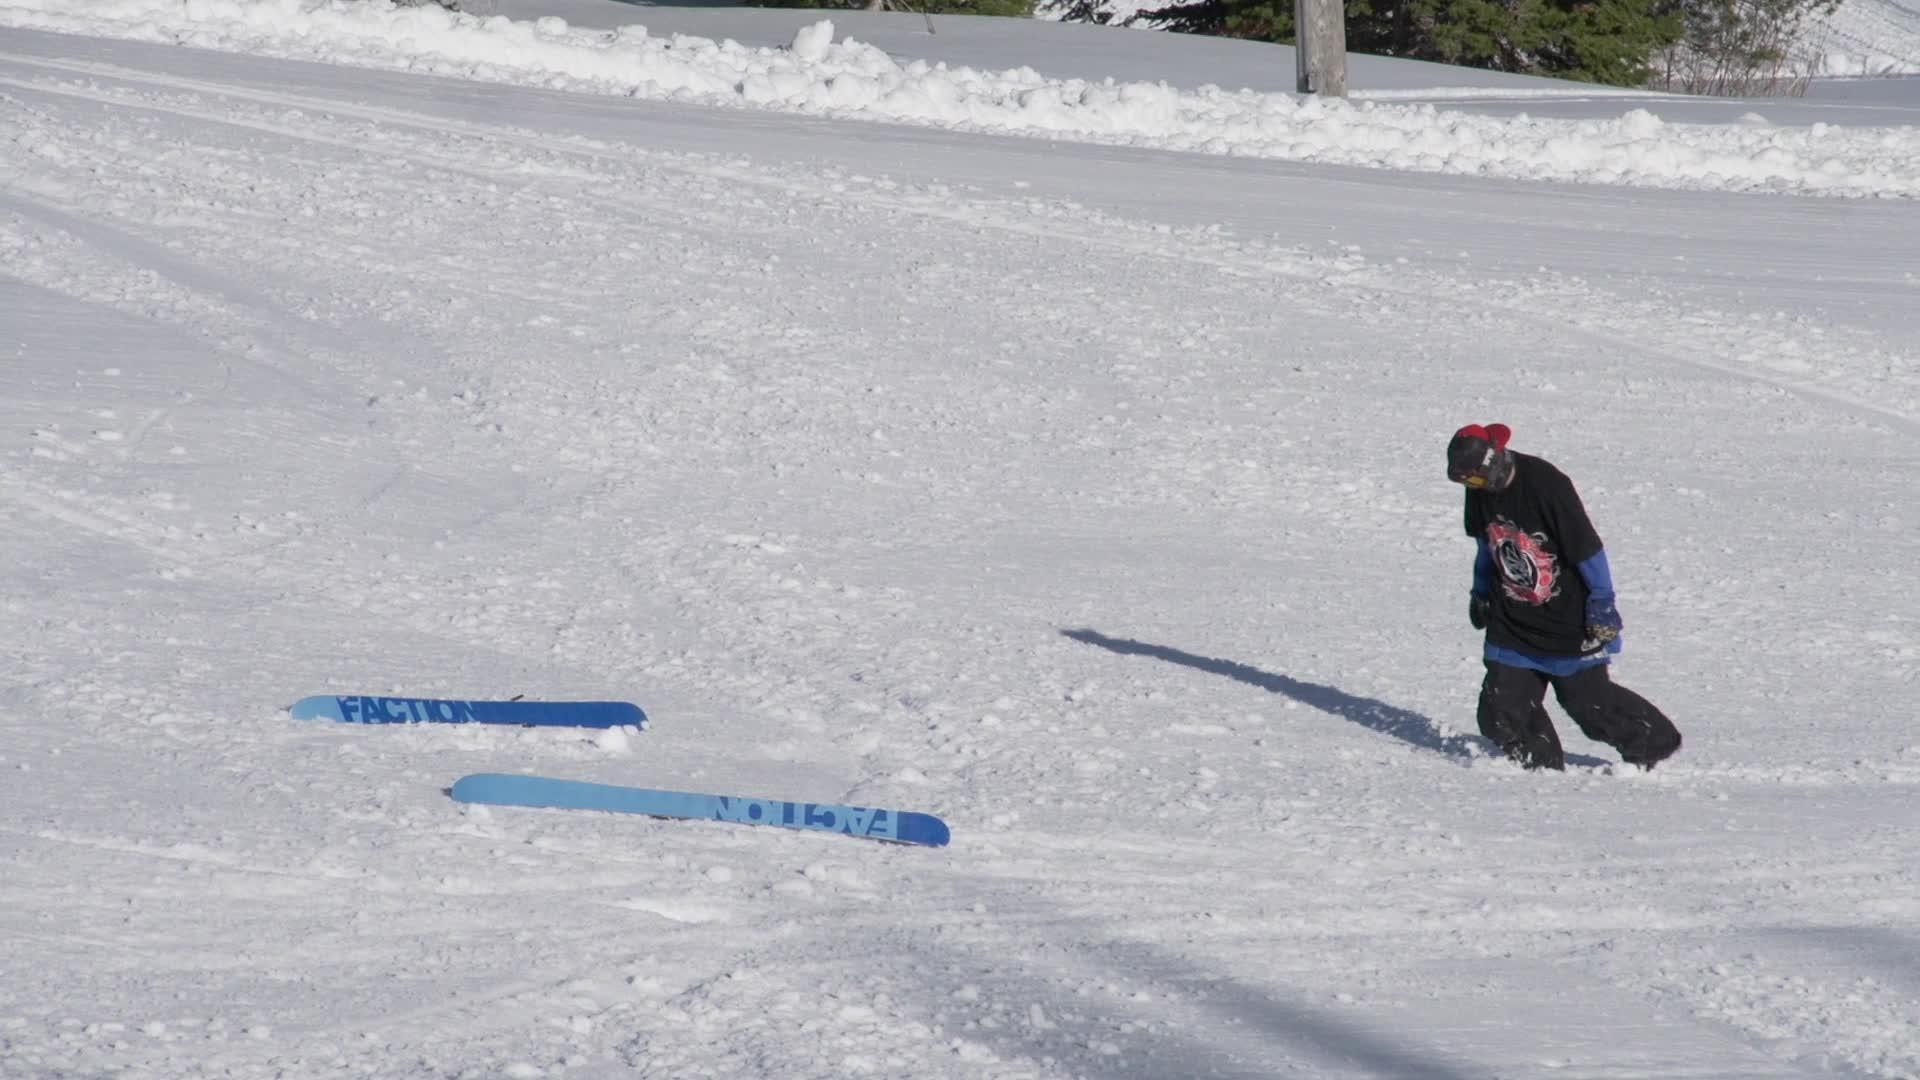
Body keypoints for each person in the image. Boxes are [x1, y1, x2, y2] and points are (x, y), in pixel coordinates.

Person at [1446, 423, 1683, 772]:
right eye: (1466, 483)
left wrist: (1602, 601)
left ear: (1494, 461)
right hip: (1512, 620)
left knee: (1590, 706)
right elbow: (1487, 545)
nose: (1473, 488)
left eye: (1476, 480)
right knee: (1501, 709)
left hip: (1567, 620)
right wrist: (1480, 591)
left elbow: (1587, 549)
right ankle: (1540, 772)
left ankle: (1653, 746)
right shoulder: (1478, 488)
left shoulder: (1546, 485)